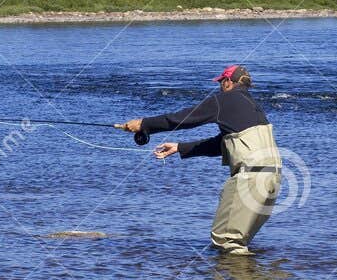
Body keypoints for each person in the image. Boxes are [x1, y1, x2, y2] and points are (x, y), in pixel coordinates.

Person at [120, 65, 282, 255]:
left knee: (225, 240)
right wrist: (180, 147)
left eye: (221, 83)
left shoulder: (224, 100)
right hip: (272, 180)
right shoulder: (253, 106)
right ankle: (253, 274)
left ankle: (236, 275)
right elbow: (222, 144)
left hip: (250, 178)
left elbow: (183, 118)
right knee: (238, 241)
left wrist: (144, 124)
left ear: (228, 82)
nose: (220, 87)